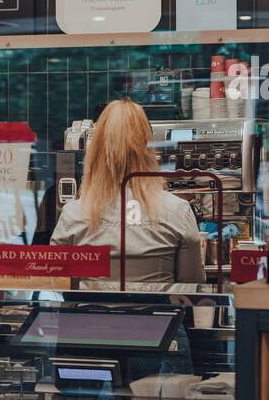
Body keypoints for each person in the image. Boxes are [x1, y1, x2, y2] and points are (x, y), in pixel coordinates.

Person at [51, 97, 206, 290]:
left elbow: (57, 284)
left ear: (95, 152)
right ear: (149, 149)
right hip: (160, 318)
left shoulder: (72, 214)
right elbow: (192, 285)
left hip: (90, 318)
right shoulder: (177, 211)